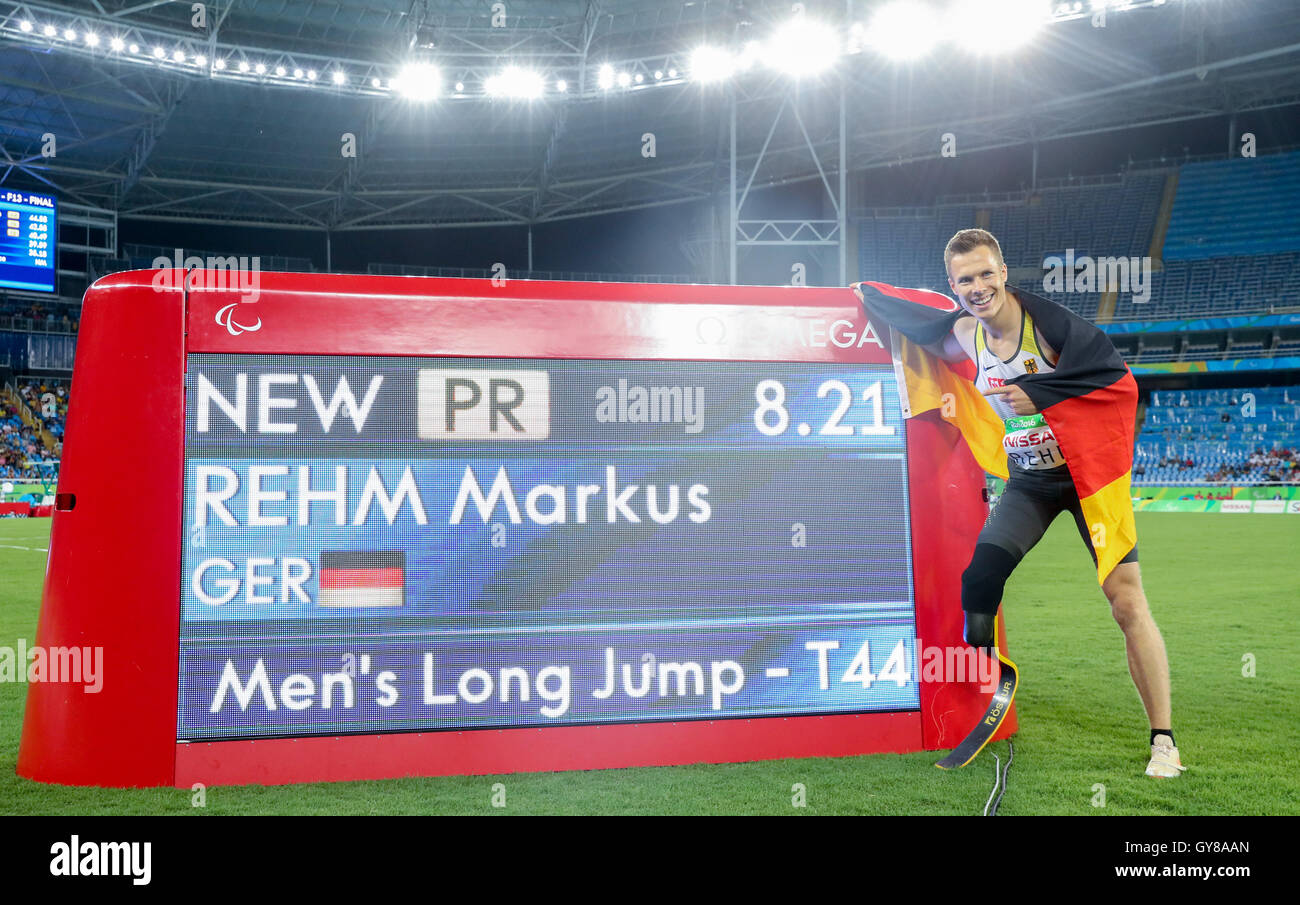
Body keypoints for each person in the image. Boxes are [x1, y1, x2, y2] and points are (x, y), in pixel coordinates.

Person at [854, 228, 1185, 779]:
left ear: (1004, 273)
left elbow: (1116, 382)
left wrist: (1045, 393)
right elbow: (924, 331)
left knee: (1126, 603)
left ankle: (1164, 741)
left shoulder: (1049, 328)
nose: (978, 287)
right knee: (979, 580)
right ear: (954, 286)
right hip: (1030, 482)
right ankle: (986, 685)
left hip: (1087, 481)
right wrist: (871, 299)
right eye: (966, 280)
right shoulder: (965, 333)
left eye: (986, 274)